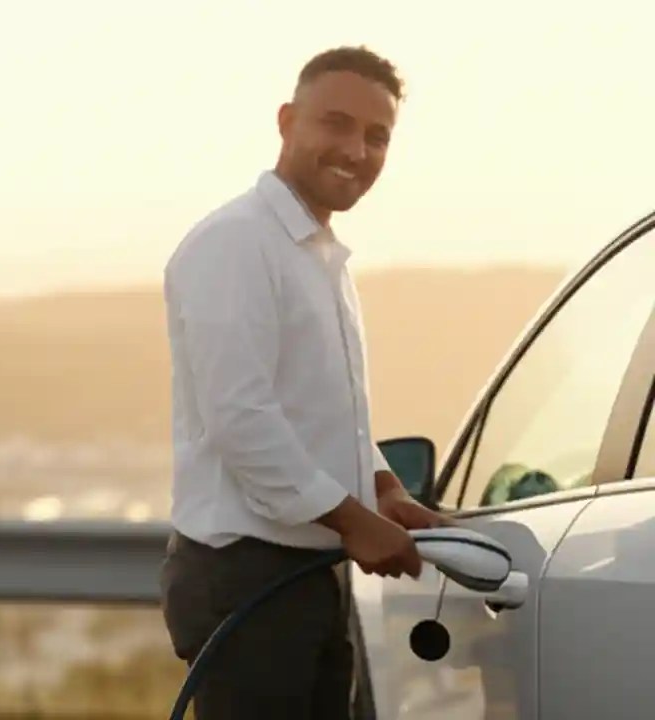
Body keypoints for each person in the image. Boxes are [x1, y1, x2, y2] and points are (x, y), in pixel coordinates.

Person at [159, 45, 449, 719]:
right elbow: (244, 421)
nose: (357, 149)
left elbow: (323, 412)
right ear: (288, 121)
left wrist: (383, 490)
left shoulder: (319, 255)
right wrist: (356, 524)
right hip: (248, 580)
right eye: (337, 123)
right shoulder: (236, 243)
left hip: (306, 575)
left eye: (378, 137)